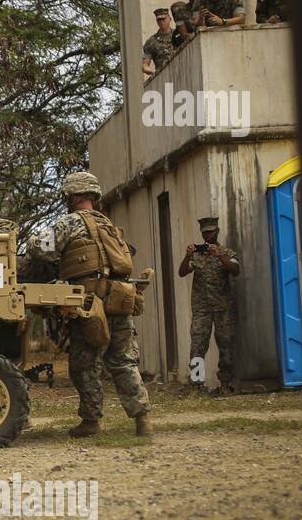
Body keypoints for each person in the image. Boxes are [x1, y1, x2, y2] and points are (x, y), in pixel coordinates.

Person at [29, 172, 152, 438]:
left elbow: (39, 248)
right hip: (120, 298)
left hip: (90, 303)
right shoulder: (109, 226)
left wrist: (33, 243)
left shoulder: (69, 223)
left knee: (85, 364)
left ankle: (91, 421)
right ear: (93, 196)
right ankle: (142, 419)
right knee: (123, 361)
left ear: (71, 197)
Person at [179, 216, 240, 393]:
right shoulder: (197, 255)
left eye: (210, 232)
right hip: (201, 309)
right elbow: (182, 272)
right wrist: (187, 256)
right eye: (204, 233)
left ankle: (226, 384)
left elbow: (235, 270)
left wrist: (220, 256)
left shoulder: (226, 252)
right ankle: (197, 384)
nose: (207, 236)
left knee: (226, 344)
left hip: (223, 308)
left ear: (217, 231)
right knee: (198, 345)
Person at [142, 7, 176, 76]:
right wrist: (152, 72)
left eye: (163, 19)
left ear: (169, 19)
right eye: (159, 20)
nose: (161, 22)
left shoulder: (178, 34)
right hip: (165, 76)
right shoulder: (151, 41)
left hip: (182, 71)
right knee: (168, 87)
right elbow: (145, 65)